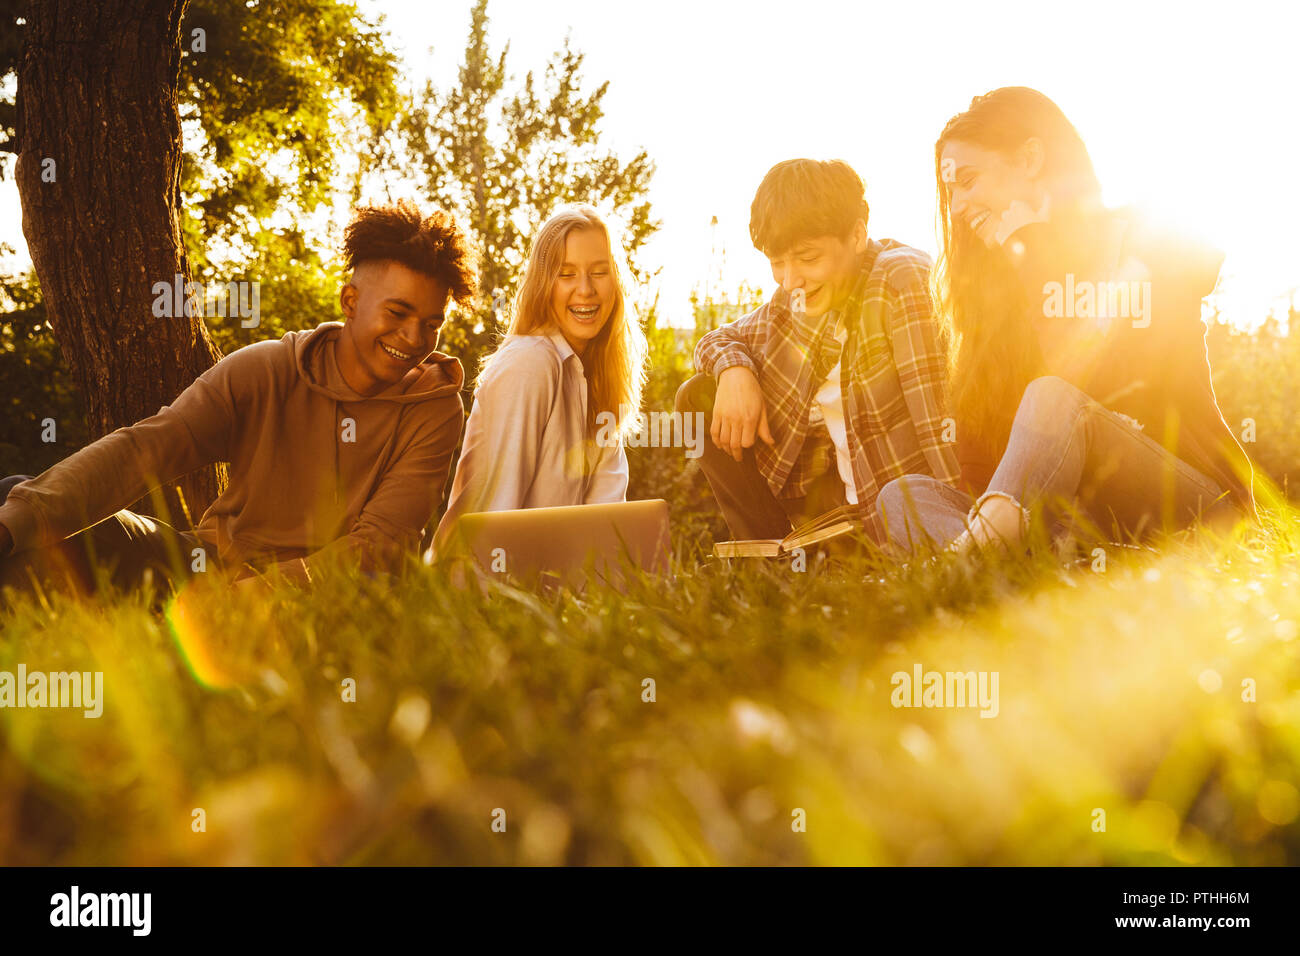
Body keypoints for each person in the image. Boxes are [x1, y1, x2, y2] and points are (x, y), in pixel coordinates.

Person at [0, 199, 476, 598]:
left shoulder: (433, 406)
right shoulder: (266, 369)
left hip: (325, 600)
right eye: (398, 312)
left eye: (432, 323)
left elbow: (380, 545)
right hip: (209, 570)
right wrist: (17, 522)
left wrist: (250, 598)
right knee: (18, 505)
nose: (414, 337)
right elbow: (145, 448)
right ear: (350, 302)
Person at [876, 87, 1257, 555]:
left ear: (1031, 158)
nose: (956, 207)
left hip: (1195, 502)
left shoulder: (1142, 235)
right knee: (905, 496)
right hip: (1080, 516)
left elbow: (1093, 373)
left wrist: (1036, 251)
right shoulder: (993, 289)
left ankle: (972, 560)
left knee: (1052, 398)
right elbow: (983, 470)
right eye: (950, 190)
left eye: (969, 181)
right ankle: (1018, 556)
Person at [678, 158, 959, 545]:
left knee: (907, 506)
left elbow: (938, 419)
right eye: (777, 263)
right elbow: (717, 339)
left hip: (906, 508)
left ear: (857, 236)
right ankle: (768, 557)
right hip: (841, 518)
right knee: (696, 395)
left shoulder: (899, 279)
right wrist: (734, 372)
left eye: (808, 258)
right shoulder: (794, 301)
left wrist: (966, 521)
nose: (791, 280)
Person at [431, 203, 648, 556]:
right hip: (483, 592)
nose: (585, 290)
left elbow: (604, 518)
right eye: (566, 273)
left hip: (554, 592)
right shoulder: (530, 363)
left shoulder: (598, 378)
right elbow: (496, 517)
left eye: (599, 271)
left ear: (616, 281)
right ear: (544, 283)